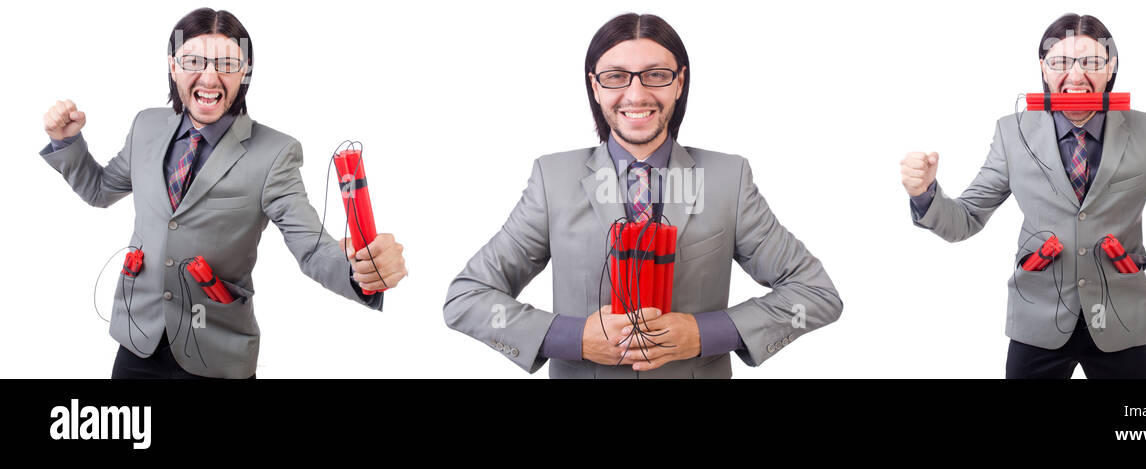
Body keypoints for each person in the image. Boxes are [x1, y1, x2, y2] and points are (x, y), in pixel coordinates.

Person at [445, 13, 842, 378]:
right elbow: (467, 298)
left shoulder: (728, 179)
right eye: (617, 76)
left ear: (679, 83)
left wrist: (705, 333)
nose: (636, 94)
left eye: (655, 75)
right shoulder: (553, 179)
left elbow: (816, 293)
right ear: (595, 86)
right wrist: (573, 336)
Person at [39, 8, 407, 379]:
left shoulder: (274, 153)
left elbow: (311, 248)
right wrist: (65, 141)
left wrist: (362, 272)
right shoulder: (146, 126)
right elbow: (100, 190)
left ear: (245, 71)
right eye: (194, 60)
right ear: (173, 65)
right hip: (137, 341)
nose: (210, 77)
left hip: (217, 354)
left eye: (228, 63)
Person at [901, 13, 1146, 379]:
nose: (1075, 77)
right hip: (1037, 319)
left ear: (1111, 67)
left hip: (1120, 319)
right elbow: (965, 219)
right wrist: (925, 194)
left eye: (1091, 62)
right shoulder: (1012, 133)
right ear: (1043, 69)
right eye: (1060, 62)